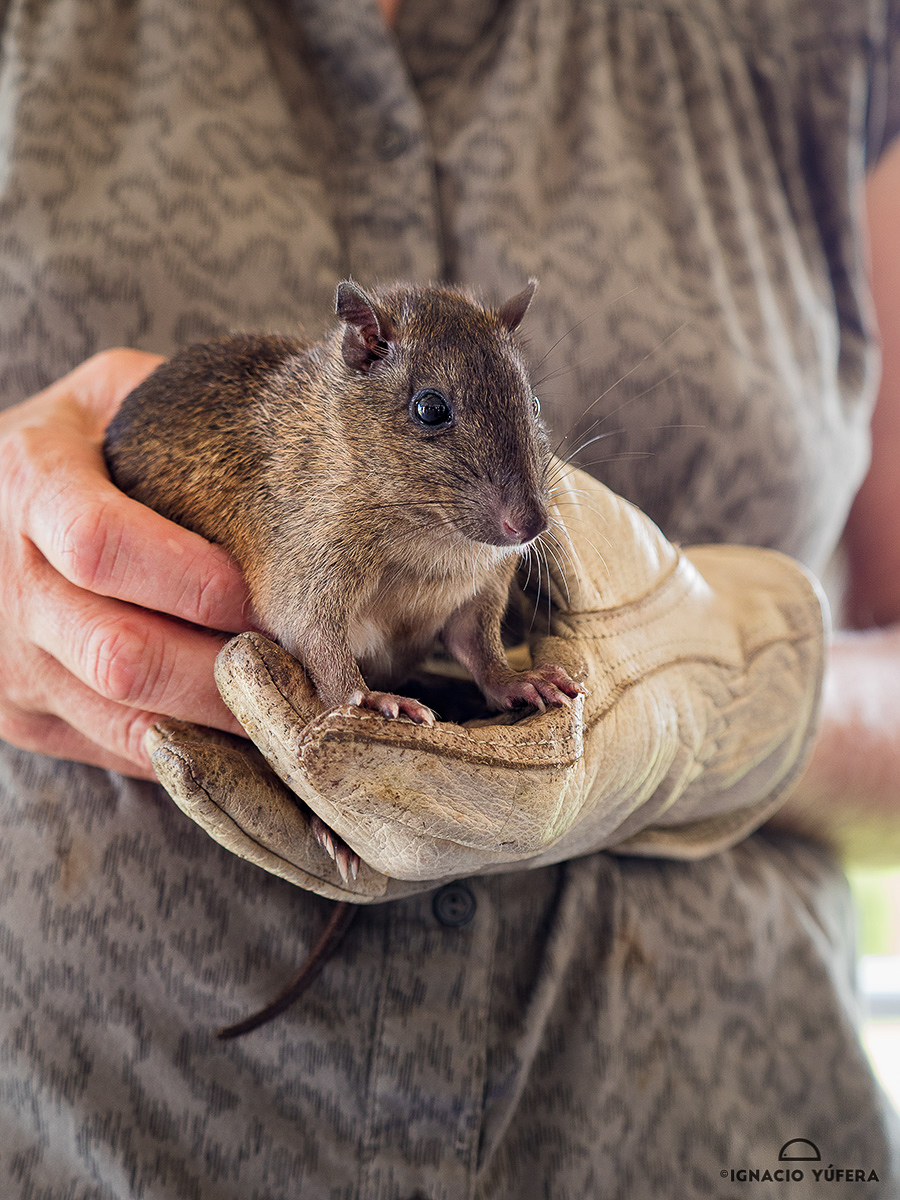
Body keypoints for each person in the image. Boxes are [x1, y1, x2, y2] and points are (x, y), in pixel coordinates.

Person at [0, 0, 898, 1195]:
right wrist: (338, 691)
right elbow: (307, 591)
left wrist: (718, 701)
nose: (523, 511)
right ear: (357, 349)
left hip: (695, 1142)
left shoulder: (822, 33)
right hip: (107, 1140)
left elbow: (486, 580)